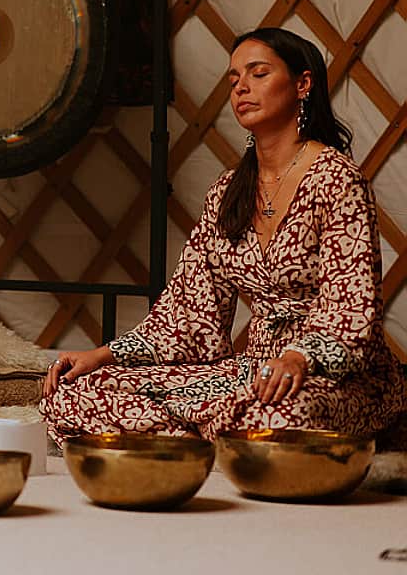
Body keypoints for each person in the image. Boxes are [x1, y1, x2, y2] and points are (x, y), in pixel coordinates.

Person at [41, 27, 406, 444]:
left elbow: (351, 304)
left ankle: (201, 431)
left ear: (303, 84)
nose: (241, 88)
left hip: (334, 377)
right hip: (252, 372)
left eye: (258, 73)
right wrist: (101, 355)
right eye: (234, 79)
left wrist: (299, 356)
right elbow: (187, 312)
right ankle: (221, 432)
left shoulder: (337, 179)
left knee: (283, 413)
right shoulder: (228, 192)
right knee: (72, 394)